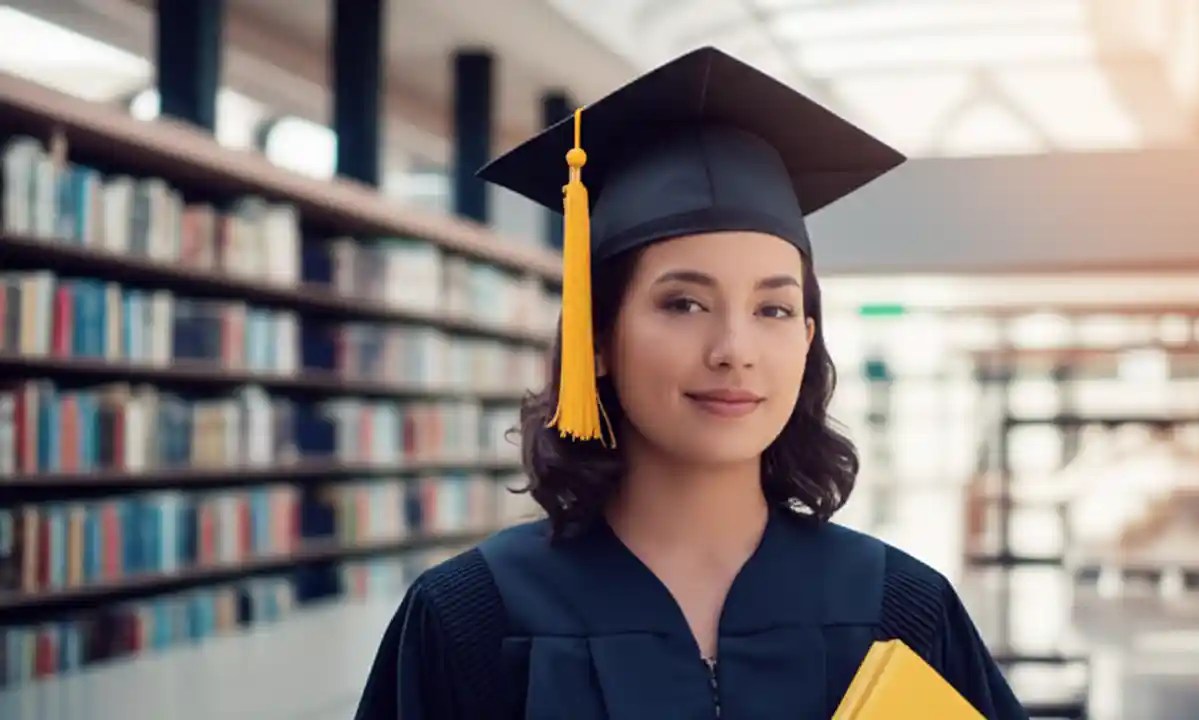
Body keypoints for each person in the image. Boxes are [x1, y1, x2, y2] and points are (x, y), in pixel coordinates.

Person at [353, 46, 1028, 719]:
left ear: (807, 340)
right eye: (684, 303)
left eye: (773, 309)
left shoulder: (900, 609)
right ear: (597, 342)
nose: (735, 350)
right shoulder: (471, 617)